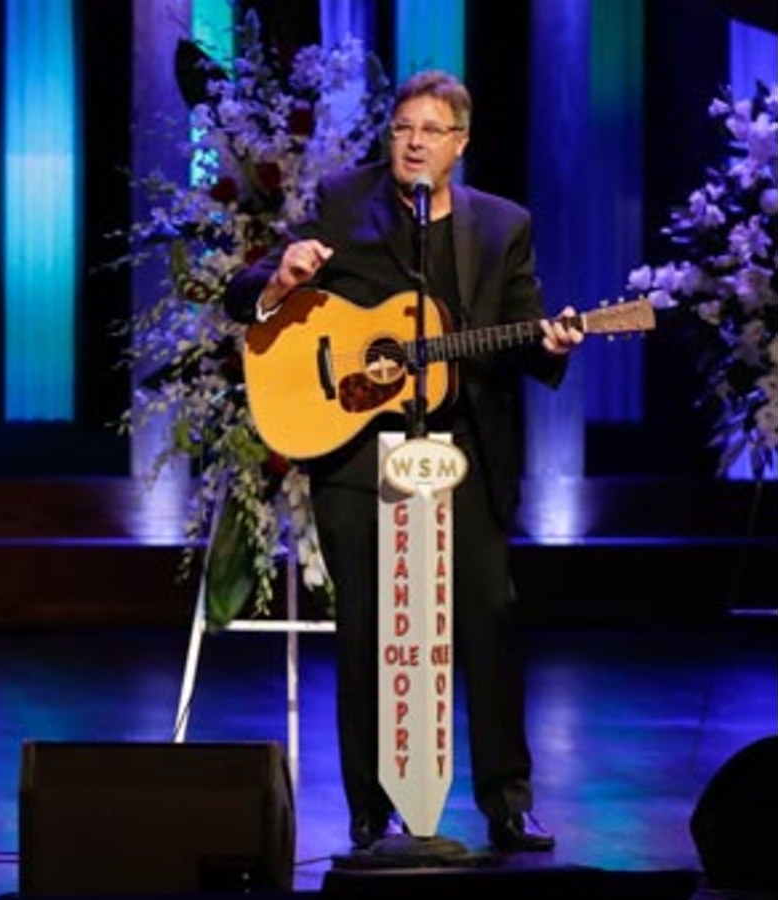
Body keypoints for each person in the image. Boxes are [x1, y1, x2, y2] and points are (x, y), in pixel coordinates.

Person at [223, 70, 584, 853]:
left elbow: (522, 327)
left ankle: (507, 801)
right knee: (366, 627)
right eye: (401, 128)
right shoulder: (347, 202)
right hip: (359, 450)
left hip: (464, 451)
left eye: (431, 130)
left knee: (488, 618)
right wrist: (277, 281)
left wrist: (551, 343)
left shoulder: (502, 226)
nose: (414, 142)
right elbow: (251, 292)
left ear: (459, 143)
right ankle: (370, 807)